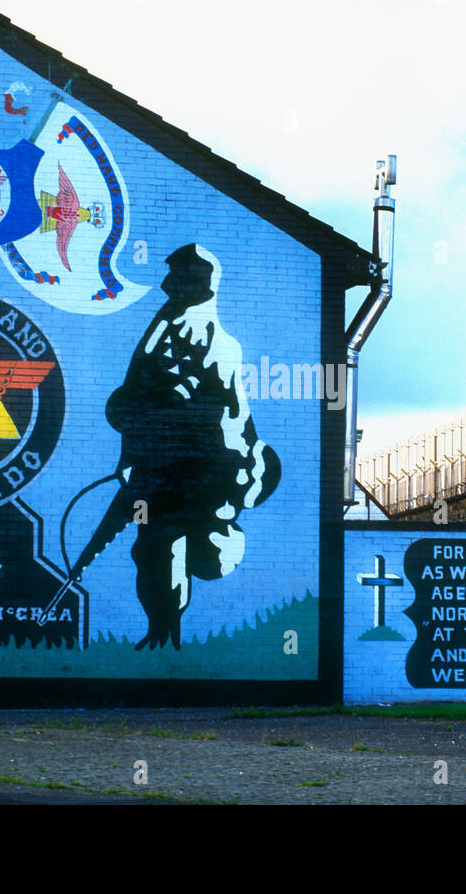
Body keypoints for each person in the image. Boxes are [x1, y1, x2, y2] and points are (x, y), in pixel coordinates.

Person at [67, 244, 279, 649]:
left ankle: (169, 629)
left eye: (178, 277)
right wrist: (130, 457)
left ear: (200, 284)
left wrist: (226, 476)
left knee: (163, 543)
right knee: (150, 548)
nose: (167, 285)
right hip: (159, 465)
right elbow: (138, 401)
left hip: (195, 471)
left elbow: (231, 416)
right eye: (170, 277)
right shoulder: (164, 328)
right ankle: (162, 629)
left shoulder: (215, 342)